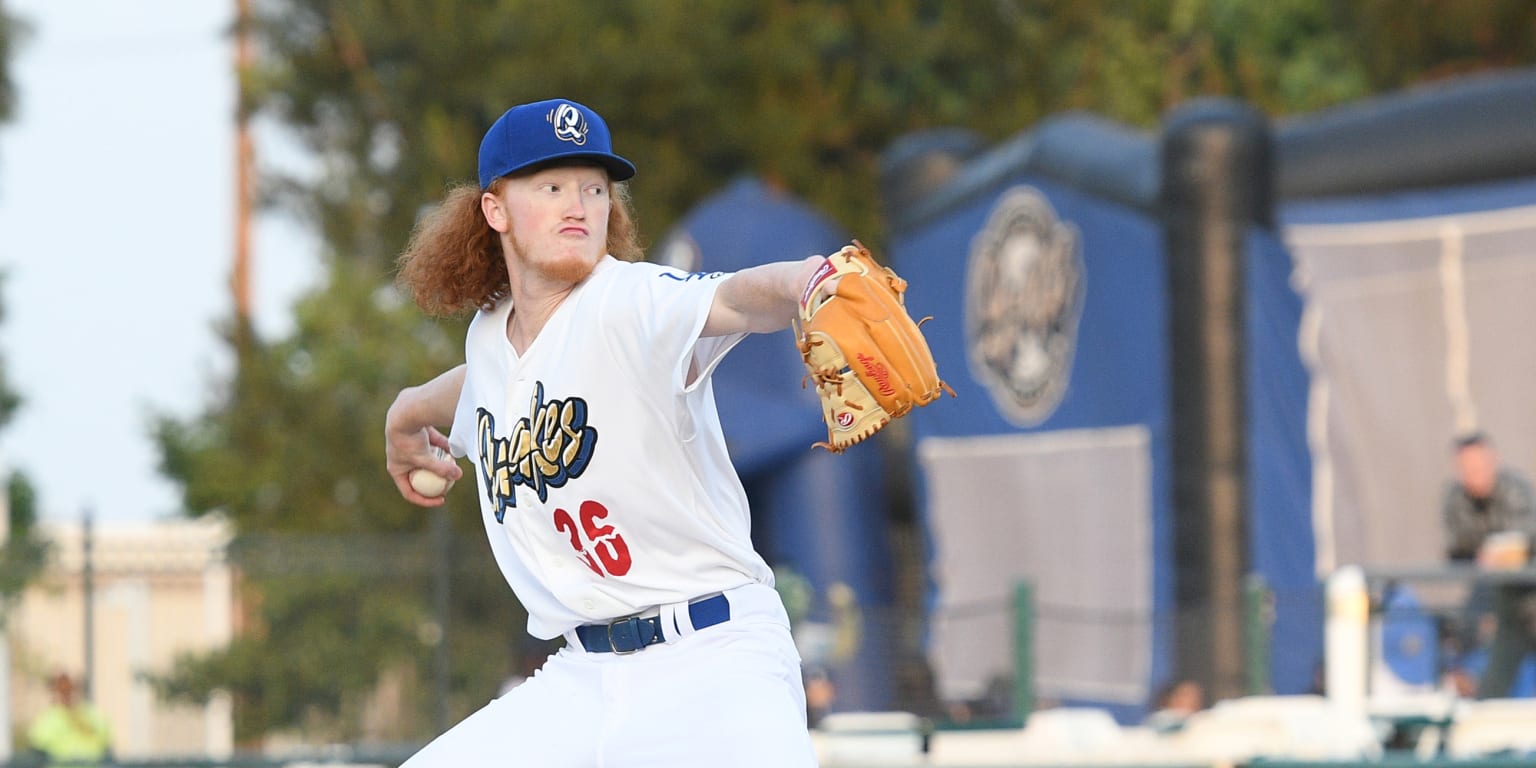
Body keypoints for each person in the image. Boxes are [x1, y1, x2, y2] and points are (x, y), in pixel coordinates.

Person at [384, 98, 826, 766]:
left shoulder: (633, 302)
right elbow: (479, 380)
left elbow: (735, 298)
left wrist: (805, 280)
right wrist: (408, 413)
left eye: (594, 187)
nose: (578, 204)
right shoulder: (491, 340)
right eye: (551, 186)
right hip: (585, 677)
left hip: (715, 664)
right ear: (495, 210)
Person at [1441, 431, 1536, 698]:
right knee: (1488, 681)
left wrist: (1501, 552)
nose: (1474, 474)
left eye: (1479, 466)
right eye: (1467, 468)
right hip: (1500, 605)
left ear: (1493, 461)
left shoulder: (1515, 491)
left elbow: (1525, 539)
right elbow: (1458, 549)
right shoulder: (1457, 501)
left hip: (1528, 597)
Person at [26, 672, 112, 766]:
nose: (67, 694)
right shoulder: (50, 717)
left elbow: (105, 737)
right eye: (62, 690)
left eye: (70, 689)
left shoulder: (90, 713)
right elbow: (37, 743)